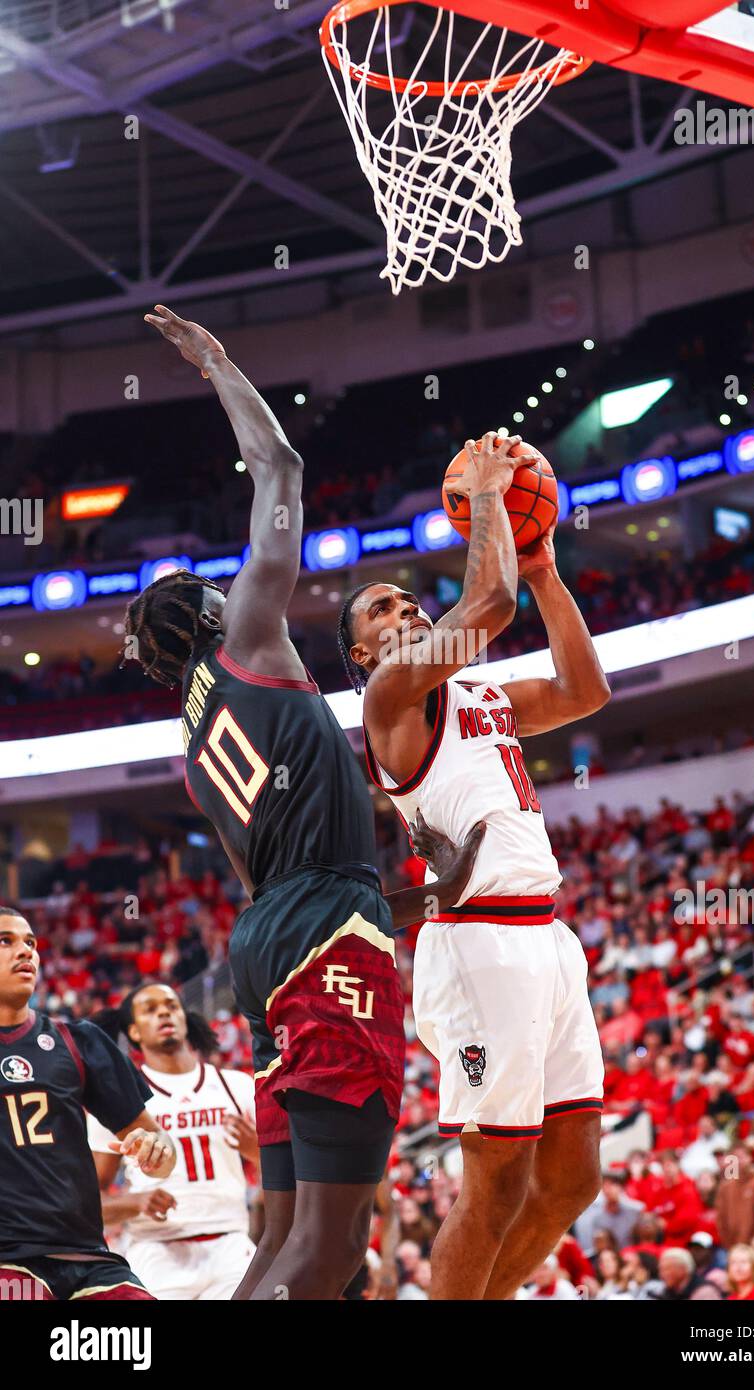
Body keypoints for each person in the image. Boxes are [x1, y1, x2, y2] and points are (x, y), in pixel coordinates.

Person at [123, 307, 484, 1301]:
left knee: (282, 1236)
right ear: (203, 612)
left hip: (271, 946)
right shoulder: (244, 629)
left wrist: (425, 896)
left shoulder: (192, 747)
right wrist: (222, 364)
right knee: (331, 1252)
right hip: (323, 939)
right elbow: (277, 468)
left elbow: (291, 880)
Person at [339, 431, 610, 1300]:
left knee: (572, 1180)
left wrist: (545, 573)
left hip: (547, 934)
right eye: (379, 611)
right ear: (360, 653)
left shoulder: (481, 694)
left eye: (405, 601)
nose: (403, 611)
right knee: (494, 1181)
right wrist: (489, 495)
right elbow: (484, 605)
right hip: (480, 943)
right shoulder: (390, 701)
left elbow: (583, 690)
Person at [0, 907, 175, 1301]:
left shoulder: (80, 1040)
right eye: (5, 941)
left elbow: (162, 1153)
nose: (25, 951)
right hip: (9, 1262)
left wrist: (157, 1149)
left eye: (30, 942)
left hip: (90, 1258)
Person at [89, 983, 258, 1300]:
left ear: (184, 1016)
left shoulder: (237, 1085)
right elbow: (88, 1202)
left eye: (171, 1005)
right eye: (150, 1009)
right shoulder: (118, 1101)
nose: (164, 1012)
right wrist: (135, 1202)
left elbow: (289, 1171)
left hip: (231, 1244)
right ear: (134, 1032)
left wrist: (257, 1153)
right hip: (156, 1250)